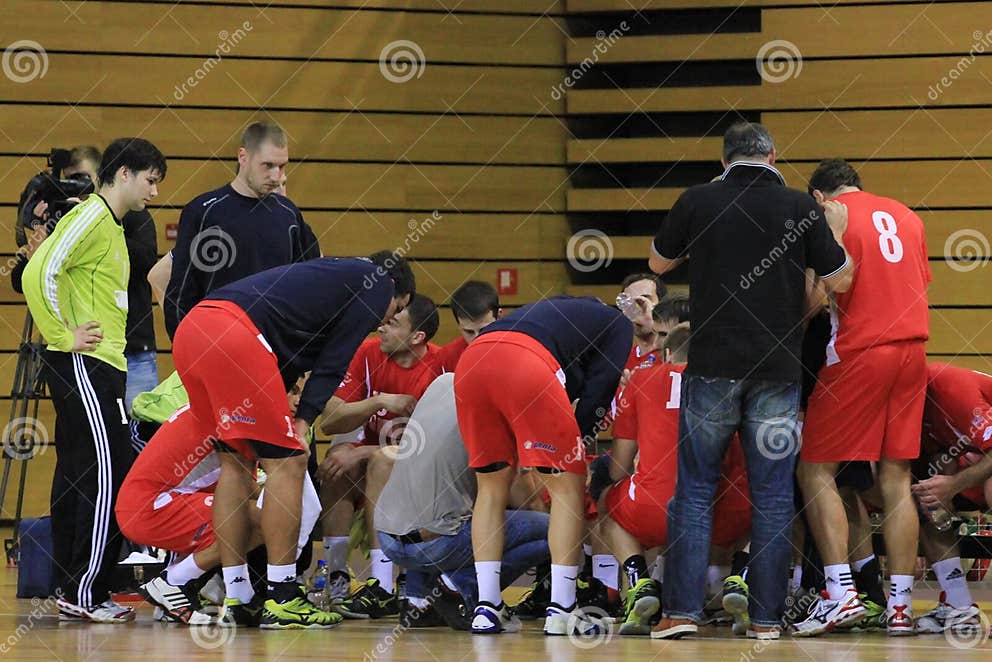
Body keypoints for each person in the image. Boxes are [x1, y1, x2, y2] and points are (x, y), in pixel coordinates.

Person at [648, 122, 853, 640]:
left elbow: (657, 263)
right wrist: (838, 232)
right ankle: (765, 620)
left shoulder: (698, 199)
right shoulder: (798, 207)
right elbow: (841, 279)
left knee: (694, 491)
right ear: (773, 156)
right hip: (777, 371)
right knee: (774, 495)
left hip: (712, 367)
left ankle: (681, 614)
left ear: (724, 162)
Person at [171, 253, 414, 630]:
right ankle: (283, 595)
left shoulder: (333, 277)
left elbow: (291, 358)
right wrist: (303, 422)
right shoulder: (377, 280)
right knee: (290, 462)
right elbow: (334, 361)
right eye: (395, 309)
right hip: (235, 336)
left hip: (194, 331)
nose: (384, 320)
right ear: (396, 290)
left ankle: (239, 596)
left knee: (235, 465)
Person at [22, 138, 167, 623]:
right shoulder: (90, 216)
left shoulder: (109, 225)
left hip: (99, 364)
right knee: (110, 470)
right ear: (124, 173)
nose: (153, 192)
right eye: (150, 181)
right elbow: (36, 271)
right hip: (86, 363)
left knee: (79, 472)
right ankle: (87, 591)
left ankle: (73, 585)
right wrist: (63, 334)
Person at [796, 159, 930, 637]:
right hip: (914, 352)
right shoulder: (907, 216)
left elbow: (815, 301)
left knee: (814, 467)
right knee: (896, 476)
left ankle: (841, 594)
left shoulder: (831, 215)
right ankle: (898, 608)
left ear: (819, 196)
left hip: (860, 350)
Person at [454, 296, 632, 635]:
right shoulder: (618, 323)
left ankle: (487, 606)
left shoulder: (558, 311)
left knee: (490, 488)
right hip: (526, 363)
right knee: (568, 487)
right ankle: (562, 608)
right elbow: (601, 388)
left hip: (473, 362)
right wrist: (575, 441)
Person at [599, 324, 751, 635]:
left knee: (609, 508)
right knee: (770, 506)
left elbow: (619, 468)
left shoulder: (640, 379)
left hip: (655, 509)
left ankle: (639, 581)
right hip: (722, 511)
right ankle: (741, 576)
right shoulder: (732, 381)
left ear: (668, 354)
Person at [375, 372, 552, 629]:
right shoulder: (500, 410)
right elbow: (522, 498)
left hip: (388, 539)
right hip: (435, 544)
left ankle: (417, 603)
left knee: (433, 502)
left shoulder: (442, 383)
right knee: (552, 530)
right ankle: (458, 587)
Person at [316, 294, 441, 616]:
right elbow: (330, 422)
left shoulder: (439, 368)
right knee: (335, 466)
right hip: (377, 456)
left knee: (380, 461)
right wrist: (377, 401)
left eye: (393, 324)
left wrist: (365, 452)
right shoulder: (368, 352)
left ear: (417, 337)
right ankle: (337, 576)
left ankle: (383, 584)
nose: (382, 327)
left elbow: (434, 442)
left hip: (425, 465)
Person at [12, 145, 161, 410]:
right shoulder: (78, 218)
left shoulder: (128, 214)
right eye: (68, 180)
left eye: (80, 180)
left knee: (132, 440)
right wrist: (46, 235)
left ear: (102, 177)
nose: (74, 188)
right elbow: (24, 276)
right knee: (95, 442)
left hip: (132, 348)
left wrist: (86, 227)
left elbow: (147, 261)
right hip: (88, 352)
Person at [164, 121, 319, 338]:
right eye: (267, 165)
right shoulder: (203, 212)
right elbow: (181, 294)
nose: (276, 176)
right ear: (243, 157)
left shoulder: (289, 214)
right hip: (218, 344)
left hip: (276, 351)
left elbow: (307, 288)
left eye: (282, 166)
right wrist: (187, 347)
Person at [911, 362, 992, 634]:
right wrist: (942, 489)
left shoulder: (950, 386)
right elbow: (940, 454)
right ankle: (958, 606)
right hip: (975, 462)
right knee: (928, 497)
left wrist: (954, 484)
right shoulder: (907, 409)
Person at [435, 280, 501, 372]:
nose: (477, 338)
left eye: (484, 329)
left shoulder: (518, 350)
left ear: (499, 316)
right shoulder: (446, 358)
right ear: (458, 324)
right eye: (469, 332)